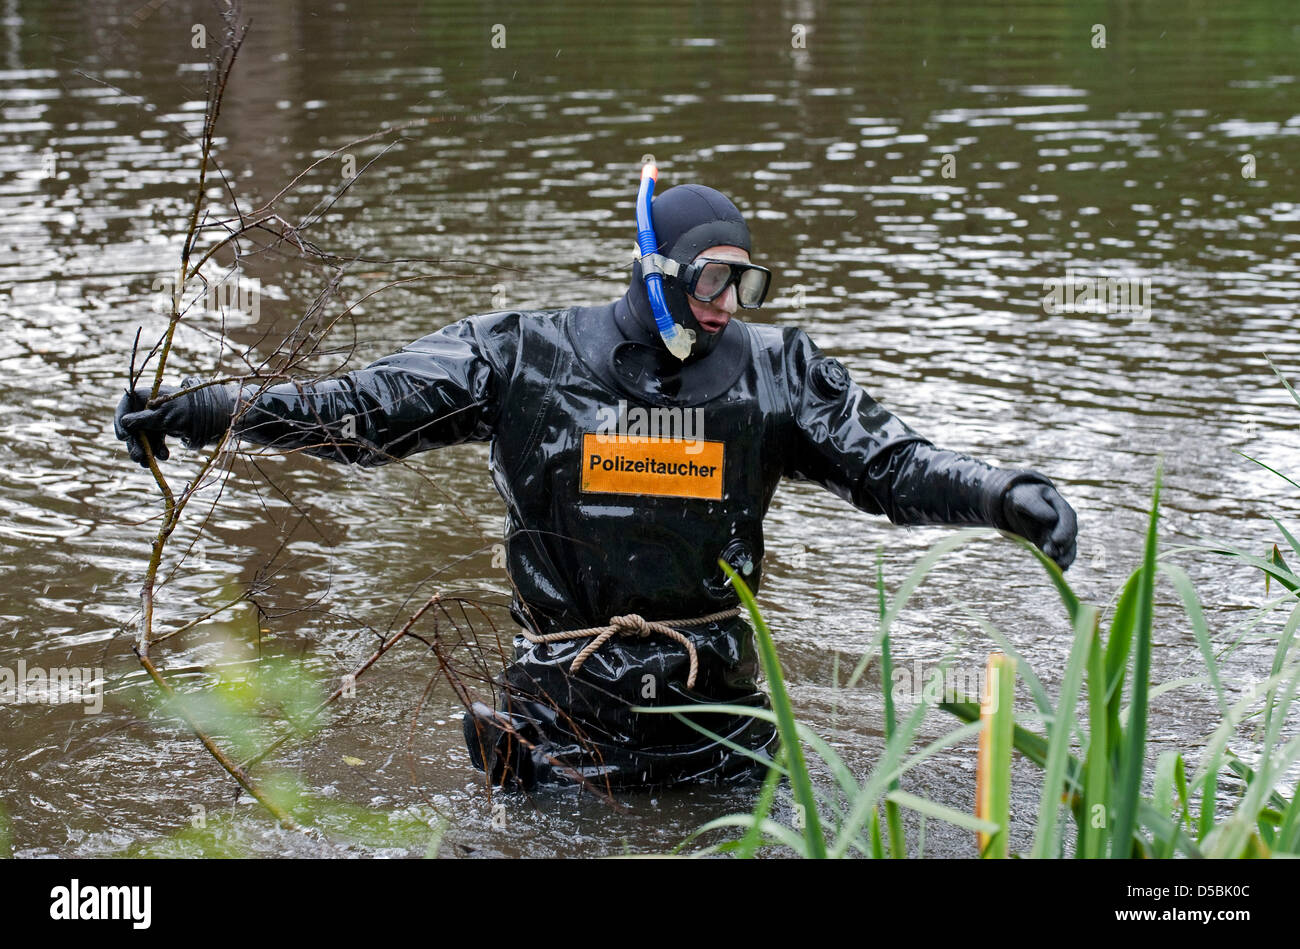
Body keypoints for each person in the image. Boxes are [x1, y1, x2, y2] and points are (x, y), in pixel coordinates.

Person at [114, 179, 1078, 792]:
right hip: (559, 715)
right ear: (656, 271)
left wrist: (1002, 495)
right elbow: (362, 411)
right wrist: (204, 410)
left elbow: (892, 466)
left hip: (720, 718)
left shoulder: (778, 371)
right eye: (711, 281)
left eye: (745, 287)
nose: (725, 309)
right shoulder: (522, 356)